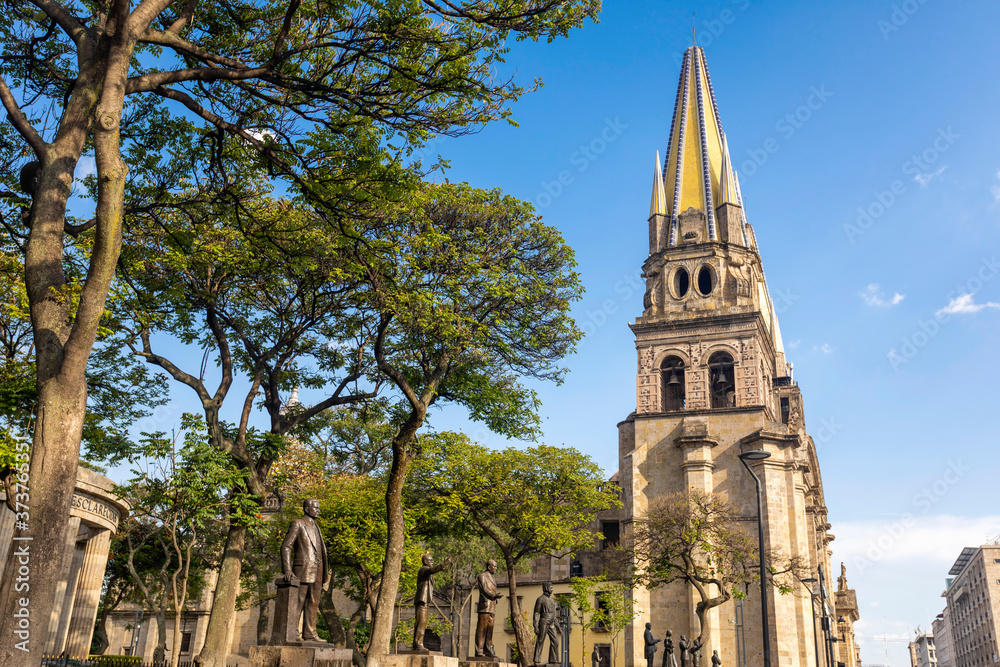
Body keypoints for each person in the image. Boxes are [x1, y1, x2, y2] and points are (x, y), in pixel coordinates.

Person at [280, 498, 331, 642]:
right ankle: (292, 633)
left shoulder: (316, 527)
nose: (318, 510)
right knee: (298, 602)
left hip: (318, 570)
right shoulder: (298, 524)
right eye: (315, 507)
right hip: (302, 569)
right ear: (306, 509)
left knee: (313, 602)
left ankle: (310, 633)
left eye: (319, 507)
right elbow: (286, 546)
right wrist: (287, 569)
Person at [413, 554, 450, 650]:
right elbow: (431, 570)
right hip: (422, 599)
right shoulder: (423, 569)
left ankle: (418, 643)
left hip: (426, 600)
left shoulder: (427, 573)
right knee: (421, 623)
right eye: (430, 560)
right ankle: (418, 644)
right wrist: (443, 564)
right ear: (425, 561)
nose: (432, 562)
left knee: (423, 623)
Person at [475, 560, 500, 657]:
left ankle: (488, 649)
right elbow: (484, 589)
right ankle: (479, 650)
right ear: (489, 567)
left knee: (490, 629)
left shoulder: (493, 579)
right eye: (494, 566)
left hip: (492, 606)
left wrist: (495, 597)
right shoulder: (482, 576)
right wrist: (493, 596)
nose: (496, 568)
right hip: (485, 606)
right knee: (482, 628)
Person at [533, 582, 560, 665]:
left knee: (555, 641)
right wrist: (536, 626)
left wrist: (558, 626)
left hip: (551, 622)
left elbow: (553, 615)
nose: (552, 589)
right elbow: (536, 613)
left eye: (552, 587)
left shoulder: (552, 600)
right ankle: (537, 660)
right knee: (540, 640)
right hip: (544, 621)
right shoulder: (540, 599)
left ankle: (553, 660)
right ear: (546, 588)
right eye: (550, 587)